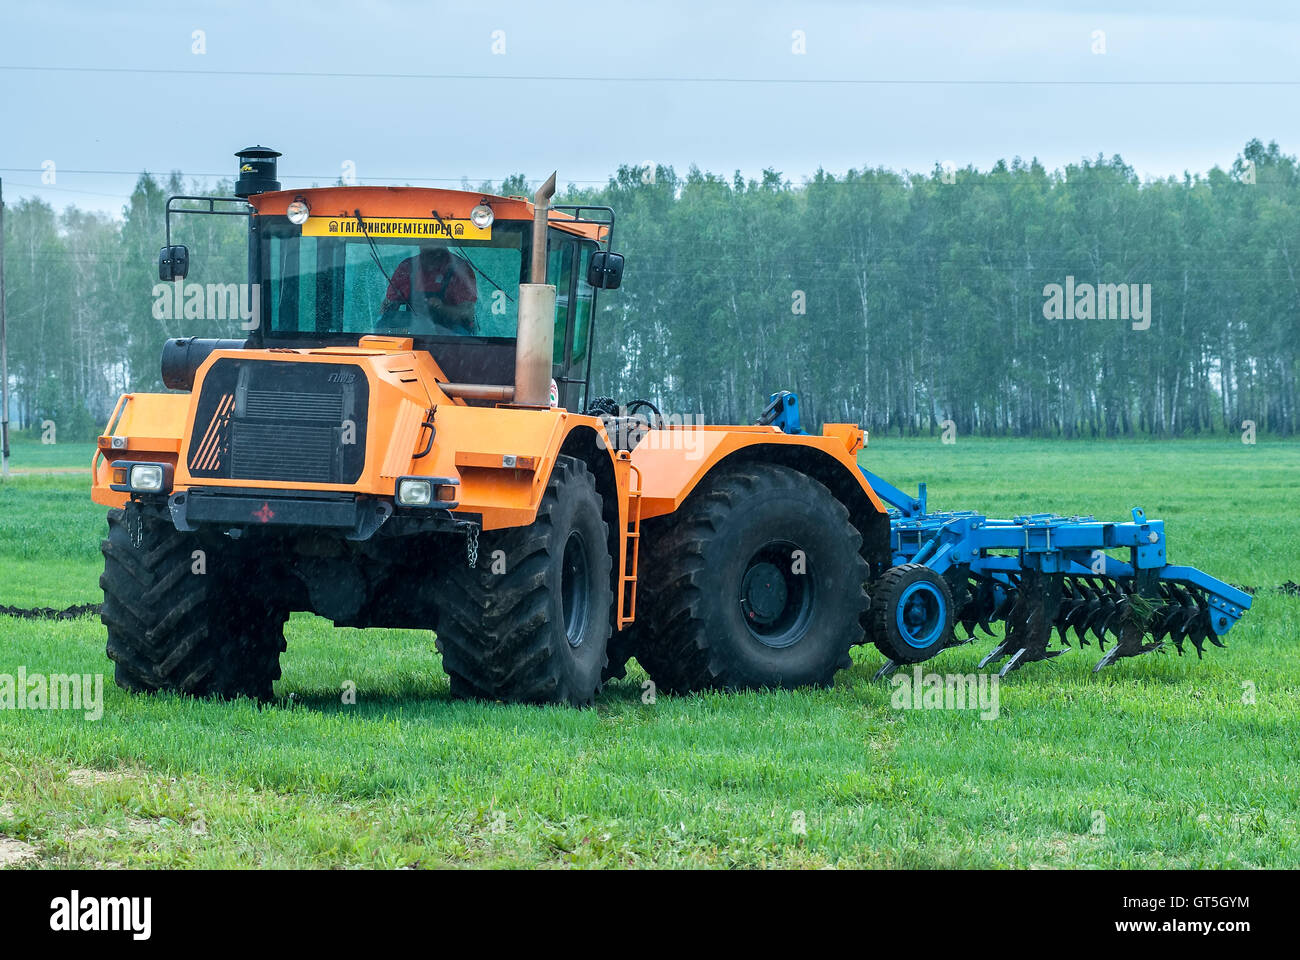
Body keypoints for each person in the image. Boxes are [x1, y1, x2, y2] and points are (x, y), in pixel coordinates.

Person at [379, 245, 478, 334]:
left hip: (451, 333)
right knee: (381, 326)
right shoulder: (407, 267)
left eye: (433, 243)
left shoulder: (460, 269)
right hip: (415, 331)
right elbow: (388, 306)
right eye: (425, 241)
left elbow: (467, 313)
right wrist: (391, 307)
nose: (429, 250)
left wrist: (442, 308)